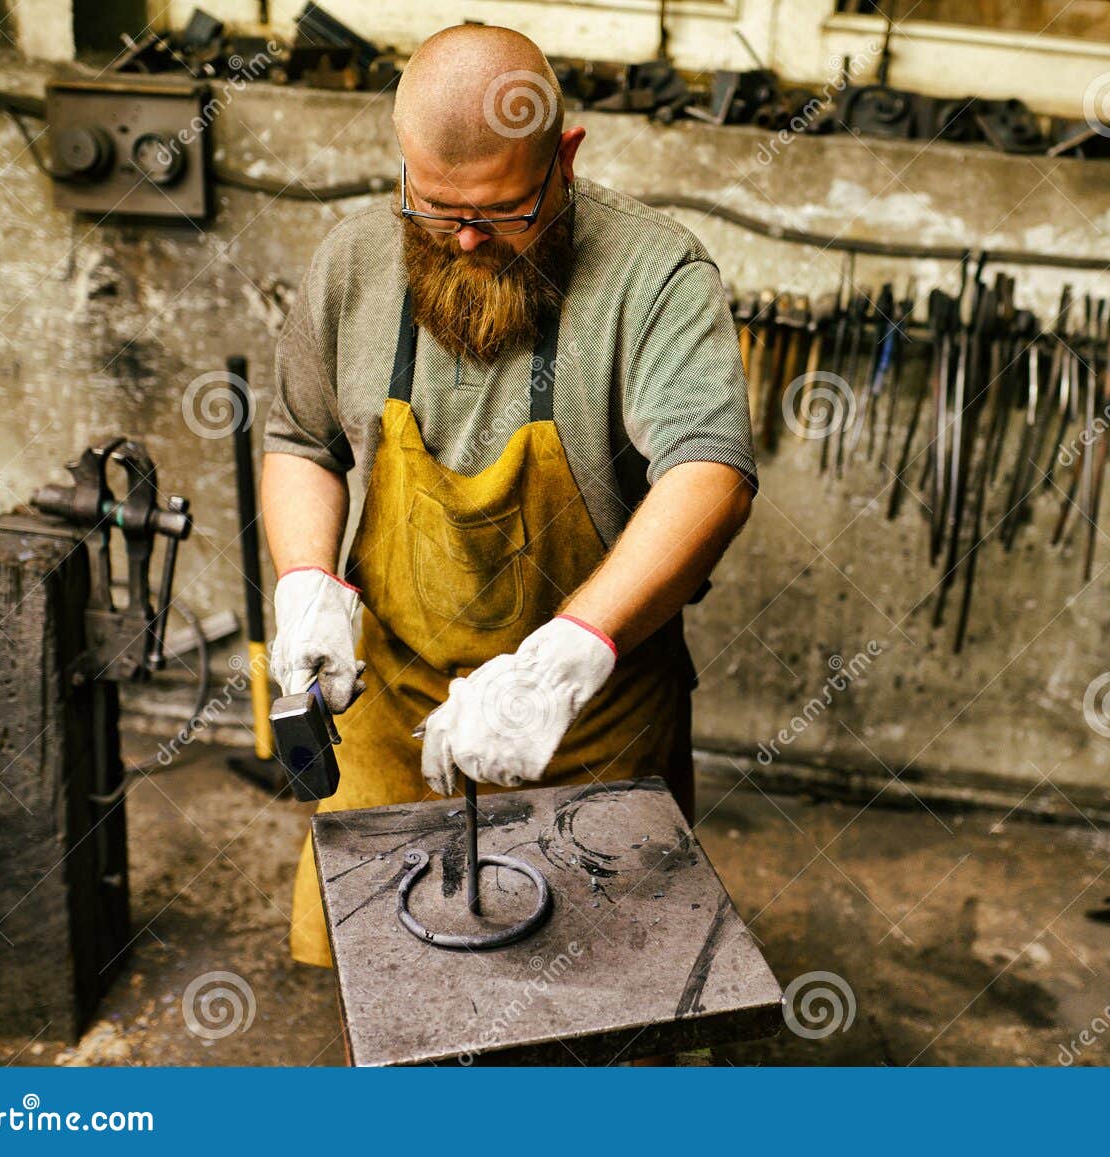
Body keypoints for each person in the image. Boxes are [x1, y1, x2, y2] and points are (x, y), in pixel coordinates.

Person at [262, 24, 758, 966]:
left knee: (605, 988)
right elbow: (299, 439)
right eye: (435, 206)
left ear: (562, 157)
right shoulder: (355, 263)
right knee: (394, 987)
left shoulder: (654, 276)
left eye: (498, 211)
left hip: (586, 716)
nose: (464, 237)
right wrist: (304, 581)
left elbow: (712, 473)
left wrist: (564, 658)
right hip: (388, 701)